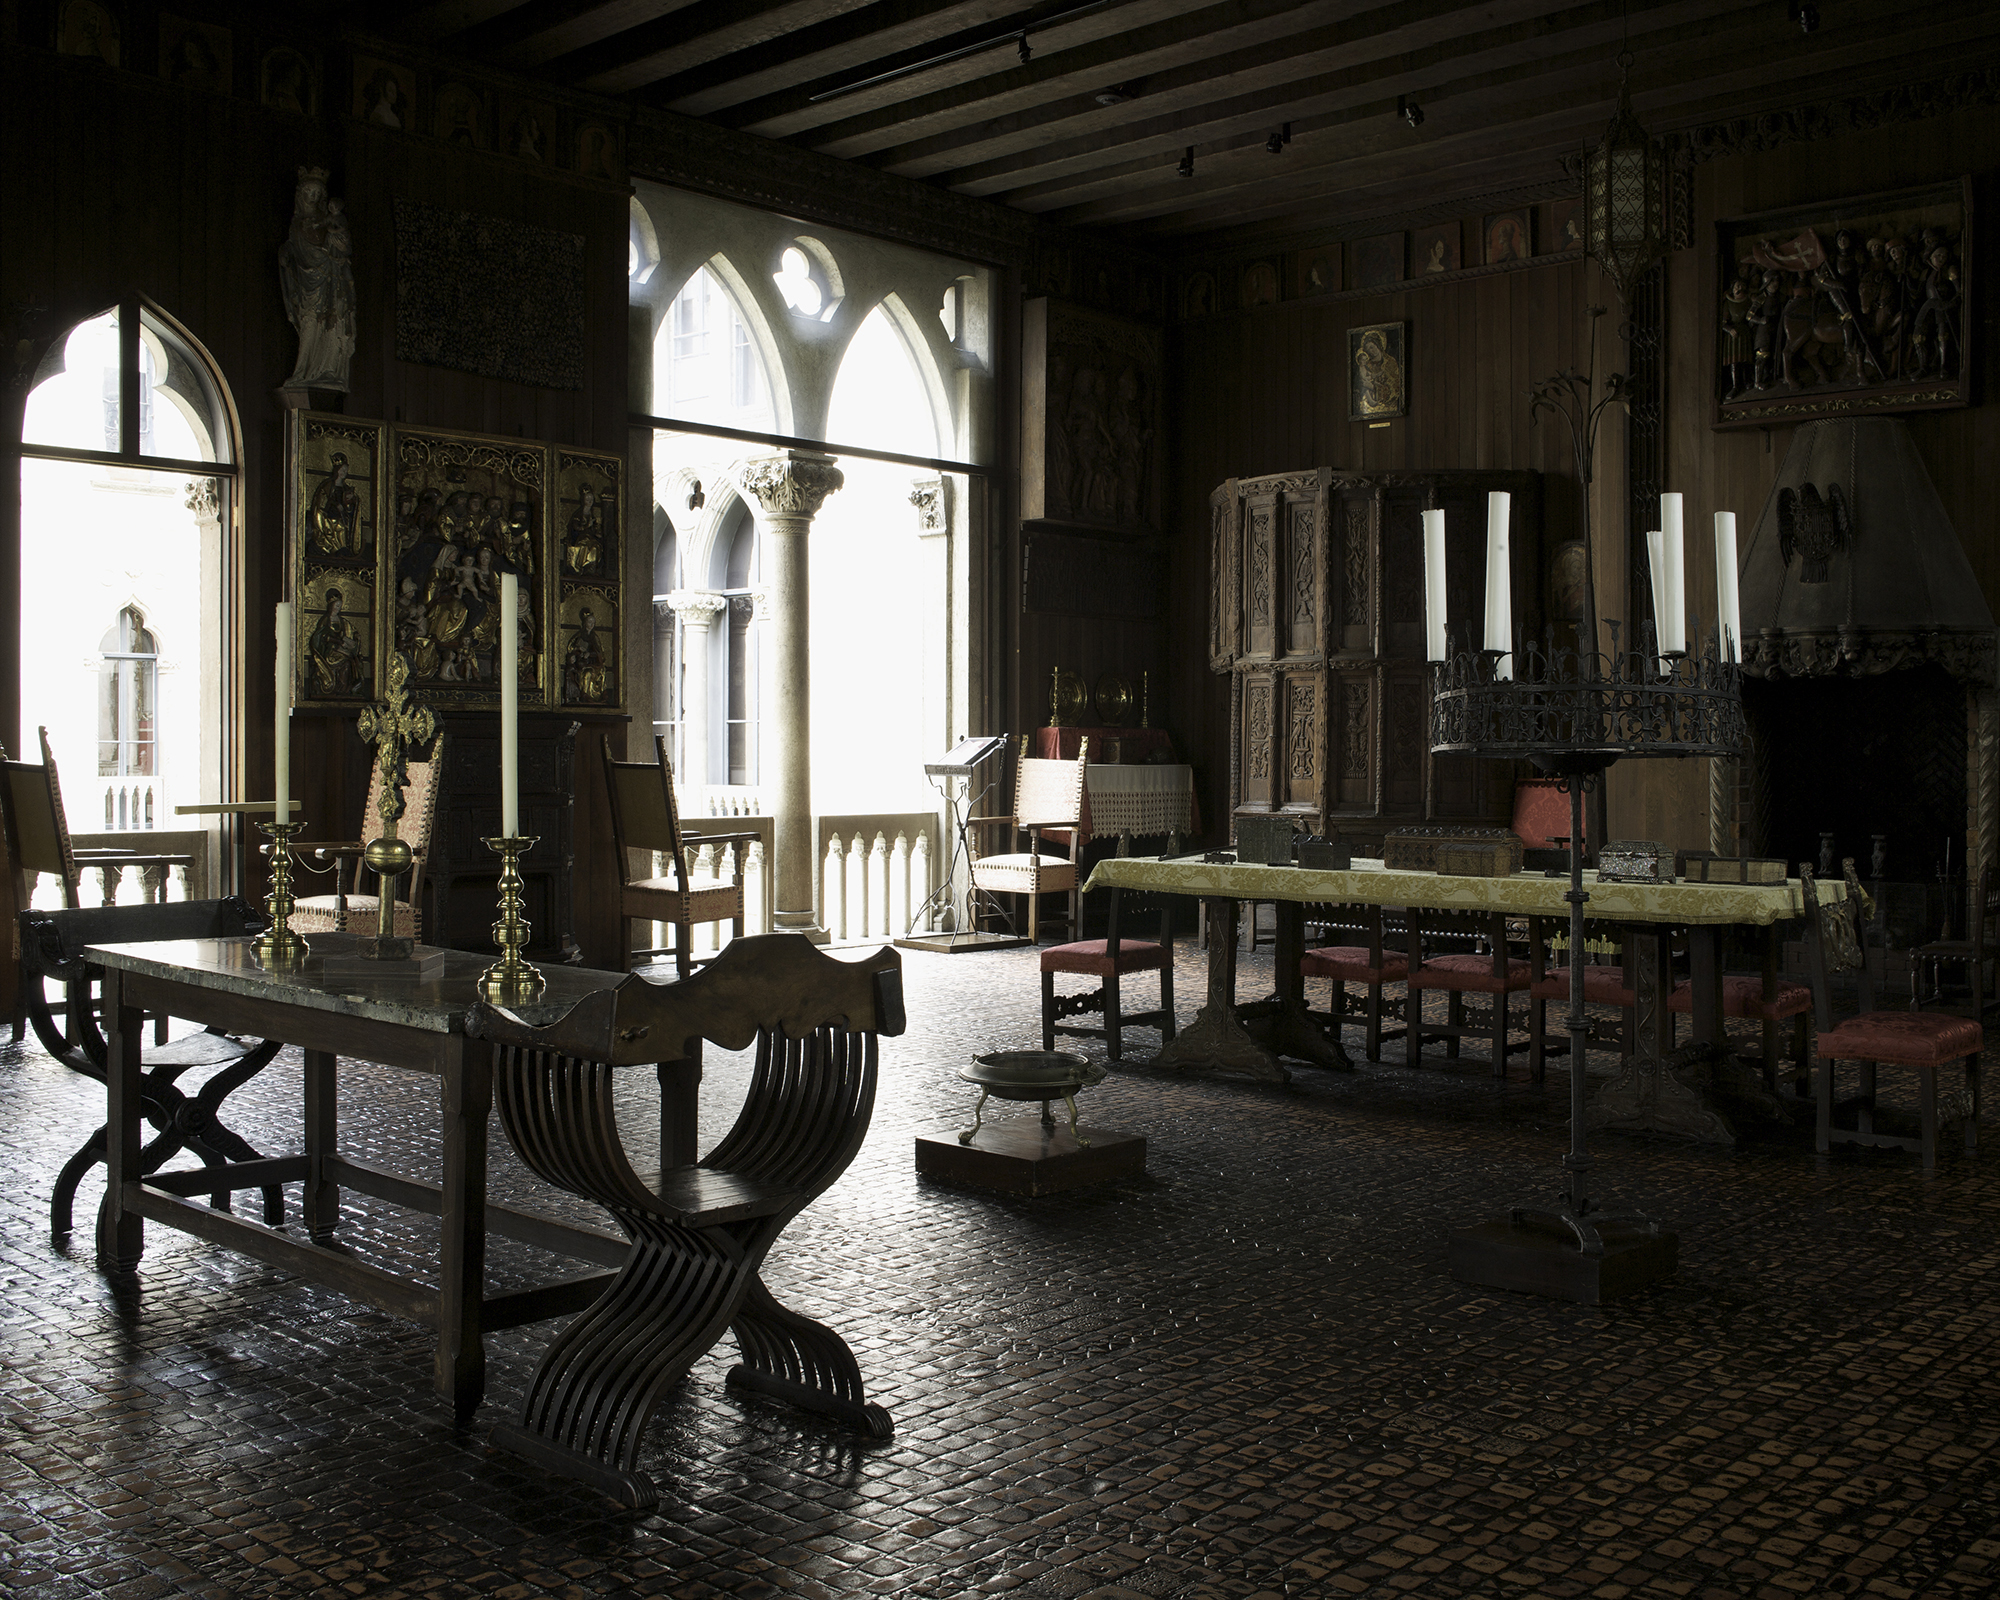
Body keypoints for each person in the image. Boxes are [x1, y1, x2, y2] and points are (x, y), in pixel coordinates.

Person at [307, 587, 368, 697]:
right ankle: (336, 689)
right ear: (331, 605)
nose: (338, 609)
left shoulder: (343, 622)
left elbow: (350, 632)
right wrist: (337, 641)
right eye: (336, 606)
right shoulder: (325, 620)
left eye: (339, 606)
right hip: (329, 651)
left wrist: (354, 637)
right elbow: (321, 637)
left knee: (349, 661)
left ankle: (344, 690)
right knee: (346, 661)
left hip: (340, 650)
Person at [308, 453, 362, 554]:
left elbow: (350, 507)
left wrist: (351, 502)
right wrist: (335, 505)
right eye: (342, 470)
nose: (344, 473)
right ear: (337, 470)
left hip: (342, 516)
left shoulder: (346, 488)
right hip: (328, 516)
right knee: (340, 526)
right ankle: (336, 547)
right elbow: (321, 503)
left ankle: (344, 548)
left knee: (345, 523)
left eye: (346, 471)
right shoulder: (328, 486)